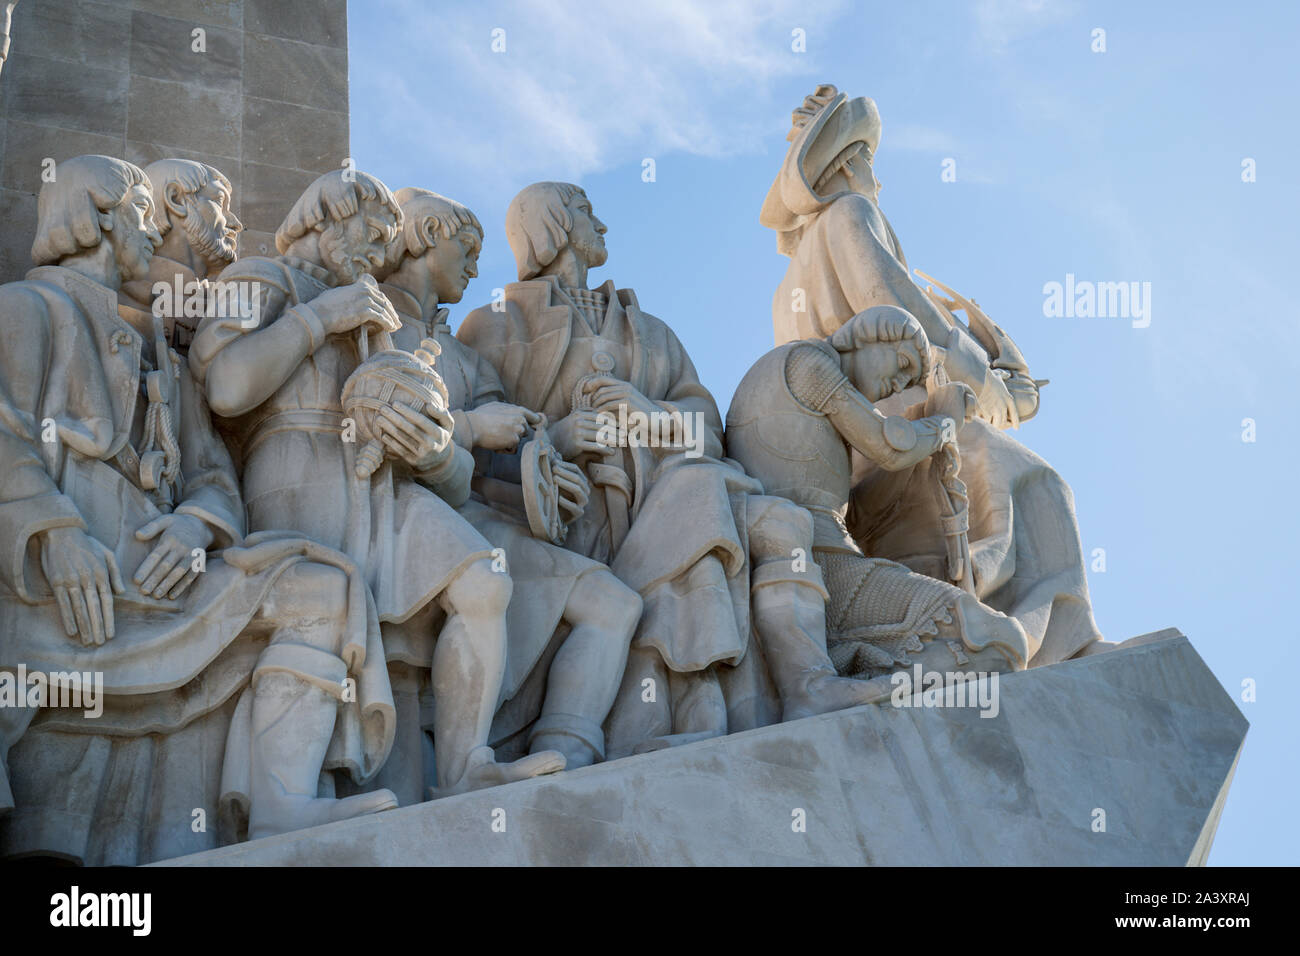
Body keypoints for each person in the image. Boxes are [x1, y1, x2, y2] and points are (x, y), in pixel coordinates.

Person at [0, 156, 396, 862]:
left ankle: (280, 805)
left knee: (327, 590)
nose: (153, 233)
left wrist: (194, 526)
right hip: (59, 582)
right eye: (139, 216)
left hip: (163, 580)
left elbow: (213, 473)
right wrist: (53, 532)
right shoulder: (25, 309)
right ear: (95, 218)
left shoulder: (165, 352)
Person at [189, 169, 565, 796]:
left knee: (483, 581)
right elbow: (227, 389)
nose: (379, 253)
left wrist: (432, 437)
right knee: (325, 612)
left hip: (378, 481)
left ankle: (466, 766)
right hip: (293, 470)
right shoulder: (259, 279)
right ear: (328, 214)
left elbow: (421, 443)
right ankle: (289, 799)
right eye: (372, 232)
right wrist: (320, 317)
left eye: (389, 238)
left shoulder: (372, 311)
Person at [761, 85, 1104, 664]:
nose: (877, 176)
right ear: (845, 165)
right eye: (868, 160)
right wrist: (997, 393)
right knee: (1034, 481)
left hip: (851, 455)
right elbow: (911, 321)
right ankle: (1062, 640)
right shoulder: (852, 213)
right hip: (899, 420)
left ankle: (962, 635)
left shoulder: (784, 288)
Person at [727, 305, 1029, 688]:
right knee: (998, 638)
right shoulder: (807, 363)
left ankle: (877, 684)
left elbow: (859, 512)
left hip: (826, 560)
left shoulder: (805, 382)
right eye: (902, 362)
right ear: (866, 337)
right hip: (825, 568)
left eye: (908, 380)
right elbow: (888, 444)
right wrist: (944, 423)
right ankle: (874, 686)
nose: (898, 383)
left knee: (995, 644)